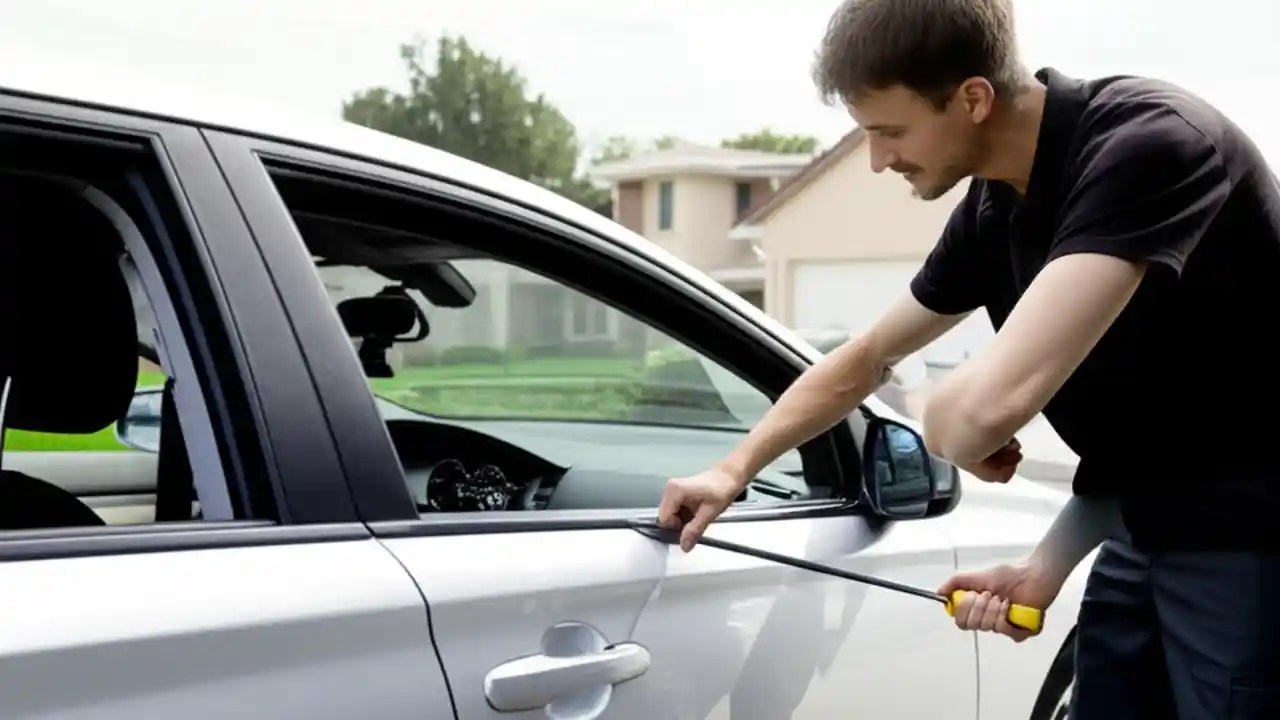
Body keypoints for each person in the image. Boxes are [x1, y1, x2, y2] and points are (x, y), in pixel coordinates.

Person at [655, 0, 1280, 717]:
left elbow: (981, 413)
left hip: (1251, 545)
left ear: (973, 98)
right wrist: (733, 468)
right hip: (1143, 529)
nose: (878, 159)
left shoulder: (1154, 145)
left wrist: (946, 422)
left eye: (889, 132)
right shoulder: (995, 211)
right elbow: (867, 359)